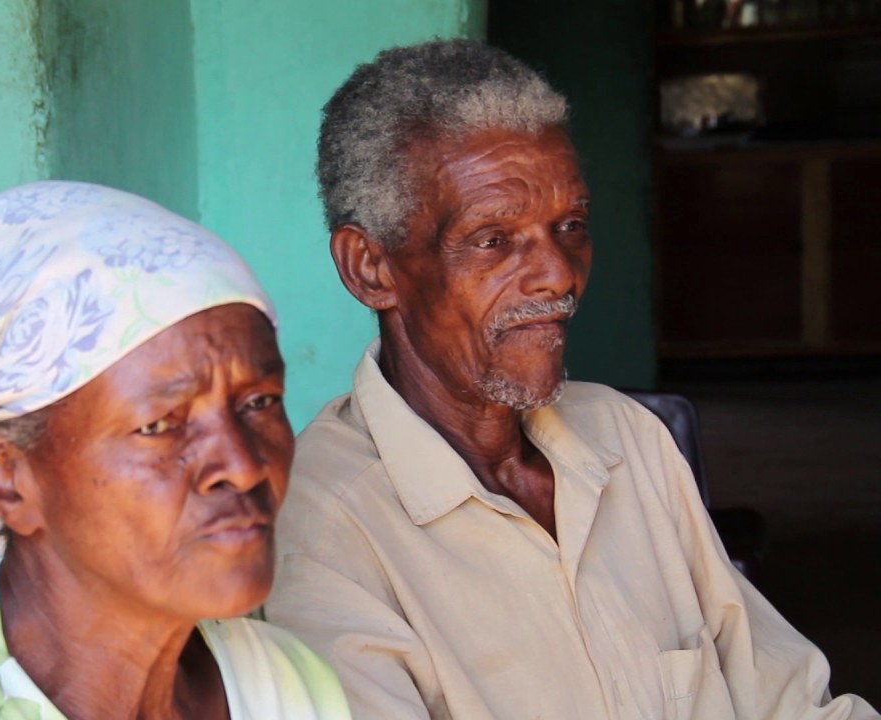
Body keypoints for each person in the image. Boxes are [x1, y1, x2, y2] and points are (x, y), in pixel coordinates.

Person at [262, 39, 878, 720]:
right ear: (370, 268)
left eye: (571, 226)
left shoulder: (626, 441)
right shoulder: (321, 524)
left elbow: (788, 701)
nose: (558, 274)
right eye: (494, 239)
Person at [0, 181, 351, 720]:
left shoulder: (290, 685)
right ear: (2, 475)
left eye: (260, 401)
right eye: (159, 426)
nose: (242, 467)